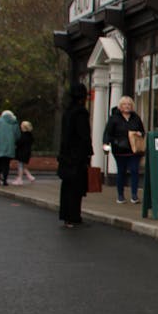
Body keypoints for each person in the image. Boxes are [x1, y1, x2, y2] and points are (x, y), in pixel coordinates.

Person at [58, 84, 93, 228]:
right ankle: (74, 216)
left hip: (66, 156)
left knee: (67, 187)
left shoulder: (67, 112)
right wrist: (88, 153)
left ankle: (67, 216)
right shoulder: (80, 113)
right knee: (76, 188)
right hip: (77, 157)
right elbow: (84, 136)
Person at [102, 95, 146, 204]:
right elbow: (108, 133)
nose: (127, 106)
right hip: (120, 150)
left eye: (129, 104)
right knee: (121, 172)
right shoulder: (114, 118)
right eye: (125, 104)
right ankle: (120, 195)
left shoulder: (136, 118)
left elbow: (142, 131)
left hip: (134, 150)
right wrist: (106, 144)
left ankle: (134, 195)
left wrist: (140, 133)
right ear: (120, 106)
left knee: (135, 171)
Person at [0, 110, 21, 186]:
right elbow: (17, 136)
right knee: (6, 164)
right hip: (10, 146)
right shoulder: (14, 122)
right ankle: (5, 180)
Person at [12, 120, 36, 185]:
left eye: (22, 125)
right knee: (22, 166)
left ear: (24, 127)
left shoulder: (23, 135)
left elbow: (19, 143)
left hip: (22, 152)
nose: (20, 126)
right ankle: (30, 177)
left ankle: (20, 179)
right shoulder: (30, 135)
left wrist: (15, 143)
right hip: (26, 152)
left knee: (20, 166)